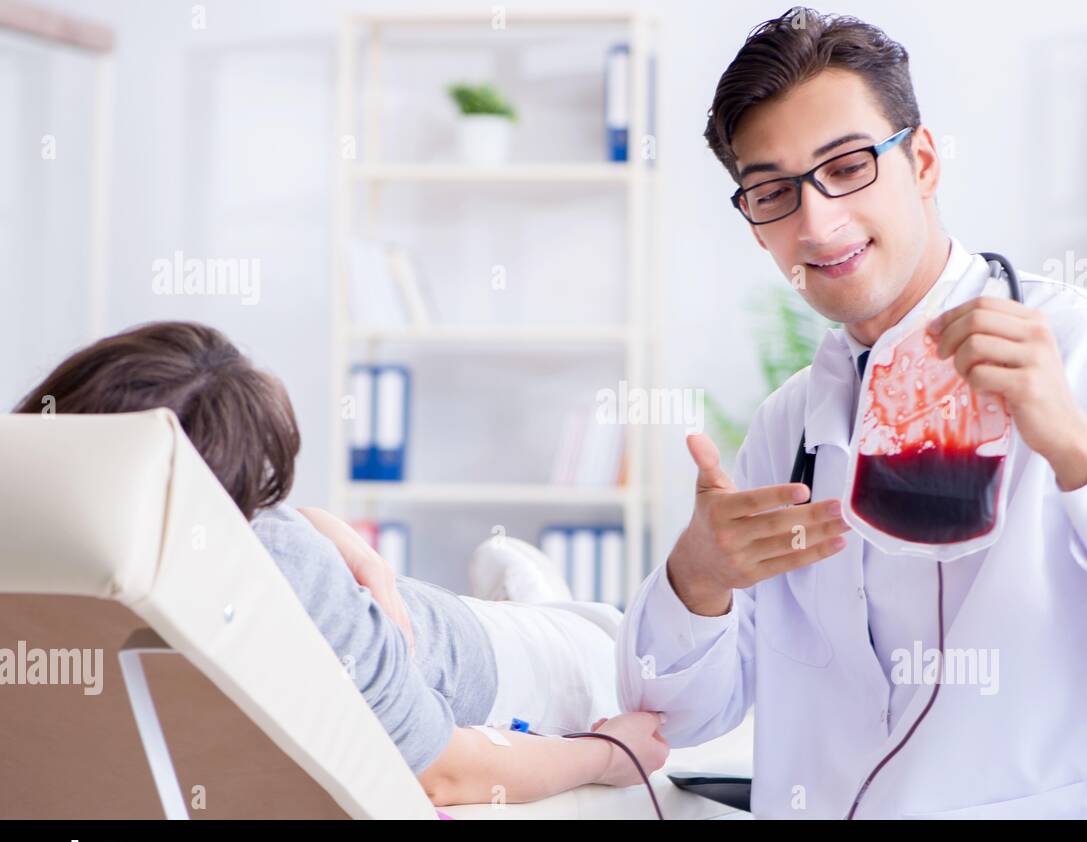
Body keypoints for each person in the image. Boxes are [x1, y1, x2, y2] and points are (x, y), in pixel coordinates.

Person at [616, 7, 1087, 819]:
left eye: (848, 166)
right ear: (755, 225)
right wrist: (697, 578)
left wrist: (1079, 453)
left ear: (924, 162)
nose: (817, 221)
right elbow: (680, 720)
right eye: (773, 192)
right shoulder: (788, 425)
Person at [15, 320, 668, 808]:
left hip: (512, 664)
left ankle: (538, 599)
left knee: (595, 639)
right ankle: (528, 594)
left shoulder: (268, 567)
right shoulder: (238, 551)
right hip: (390, 620)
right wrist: (332, 537)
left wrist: (607, 754)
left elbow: (443, 769)